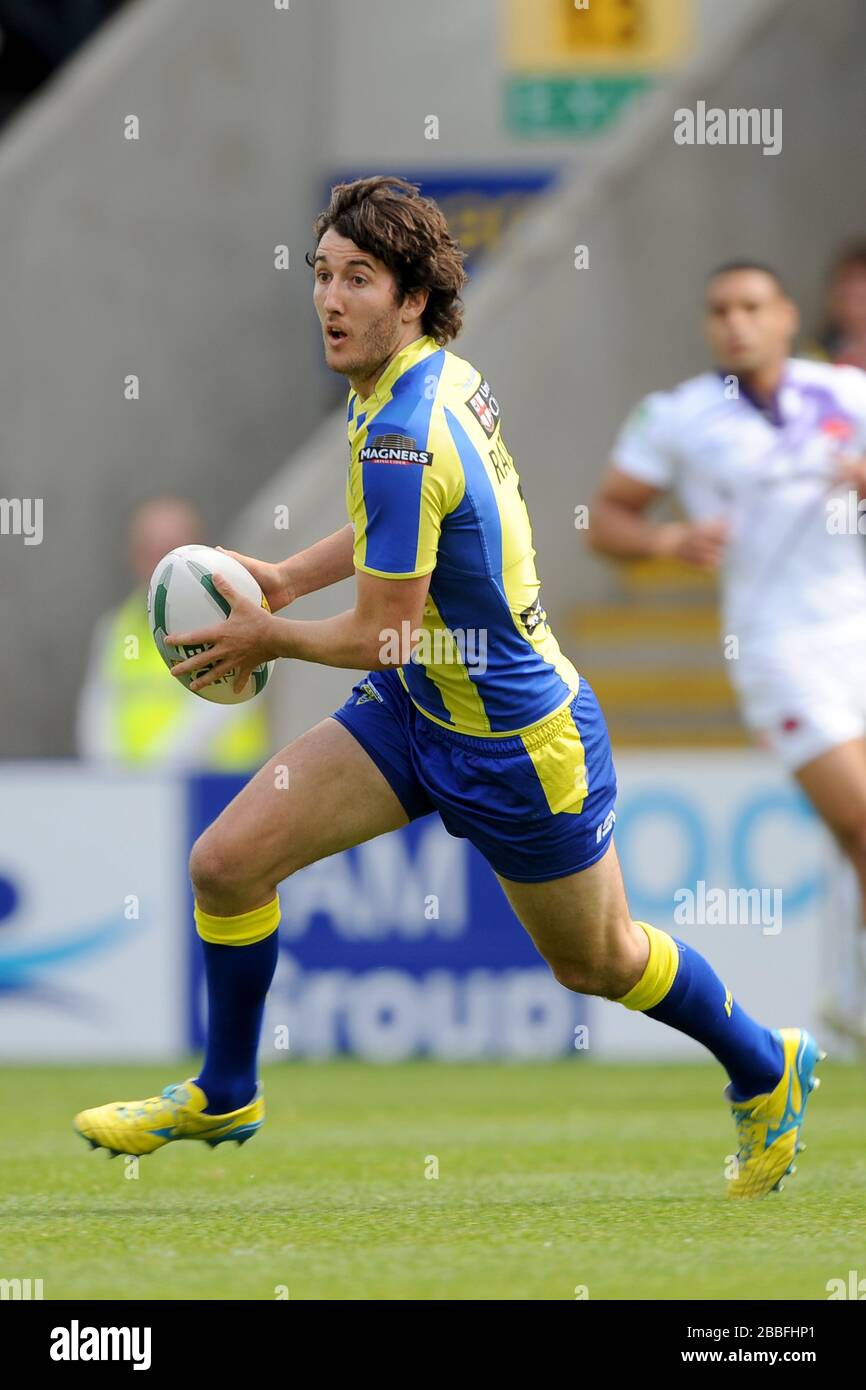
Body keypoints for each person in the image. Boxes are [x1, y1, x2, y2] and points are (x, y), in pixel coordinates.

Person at [74, 187, 822, 1199]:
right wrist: (289, 579)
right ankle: (226, 1089)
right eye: (322, 275)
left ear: (414, 299)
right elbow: (399, 532)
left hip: (515, 738)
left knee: (597, 960)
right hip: (418, 706)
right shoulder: (409, 386)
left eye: (358, 280)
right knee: (226, 863)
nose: (329, 300)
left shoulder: (403, 427)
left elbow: (380, 629)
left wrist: (265, 633)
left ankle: (762, 1063)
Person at [588, 260, 866, 1041]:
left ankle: (850, 993)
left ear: (785, 316)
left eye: (750, 306)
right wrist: (669, 537)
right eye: (719, 310)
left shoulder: (846, 392)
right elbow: (605, 519)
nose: (734, 322)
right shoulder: (676, 416)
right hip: (777, 650)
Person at [76, 496, 269, 771]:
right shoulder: (115, 629)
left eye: (170, 551)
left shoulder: (233, 621)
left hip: (219, 790)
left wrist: (160, 767)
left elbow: (225, 709)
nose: (158, 564)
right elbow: (98, 714)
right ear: (132, 556)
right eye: (149, 551)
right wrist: (113, 777)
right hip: (134, 796)